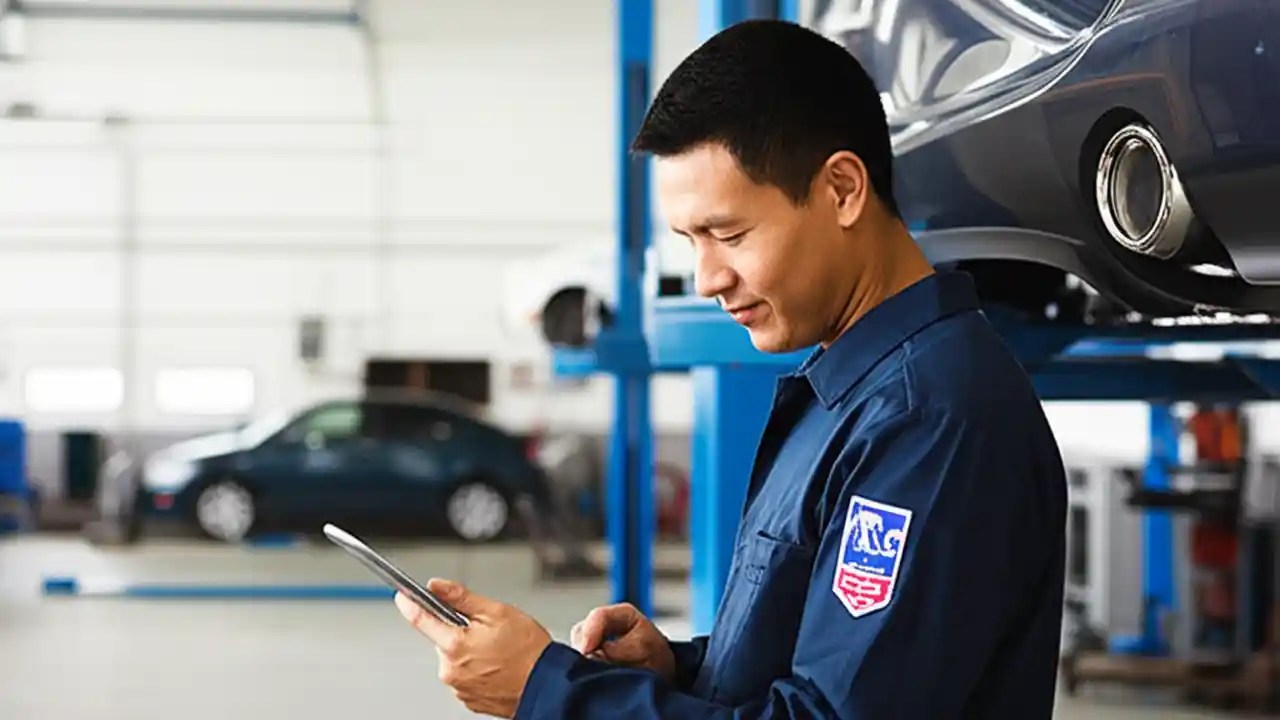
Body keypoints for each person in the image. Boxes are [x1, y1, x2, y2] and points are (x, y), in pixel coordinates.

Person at [394, 18, 1068, 719]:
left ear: (842, 189)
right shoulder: (852, 392)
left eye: (729, 234)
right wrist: (682, 669)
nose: (708, 277)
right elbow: (834, 661)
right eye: (691, 241)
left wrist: (554, 694)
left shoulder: (930, 420)